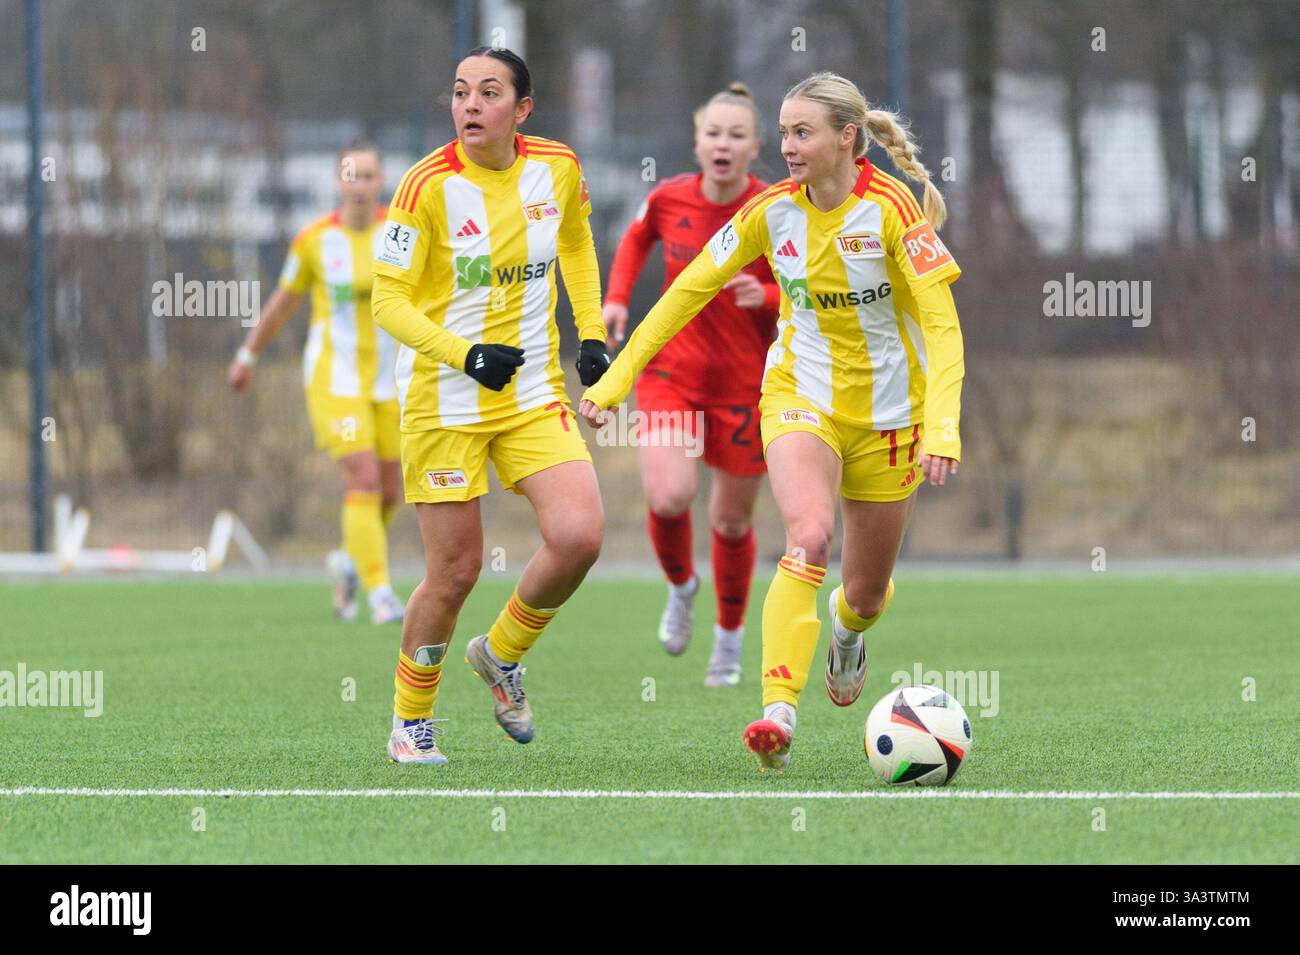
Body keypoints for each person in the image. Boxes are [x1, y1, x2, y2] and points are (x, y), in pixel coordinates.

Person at [580, 72, 964, 773]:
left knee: (866, 593)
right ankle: (777, 711)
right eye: (783, 132)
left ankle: (847, 635)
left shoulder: (892, 212)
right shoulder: (770, 211)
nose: (785, 147)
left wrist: (943, 425)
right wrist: (617, 377)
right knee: (809, 537)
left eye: (801, 132)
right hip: (798, 398)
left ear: (847, 138)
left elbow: (941, 325)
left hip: (891, 417)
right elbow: (688, 288)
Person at [371, 47, 610, 764]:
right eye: (459, 92)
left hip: (532, 391)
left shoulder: (558, 168)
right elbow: (388, 301)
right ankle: (410, 723)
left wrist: (591, 334)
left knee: (581, 534)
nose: (470, 105)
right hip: (445, 402)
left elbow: (575, 240)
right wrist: (464, 353)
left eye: (488, 92)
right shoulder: (425, 186)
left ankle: (501, 652)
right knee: (454, 574)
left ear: (523, 109)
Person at [603, 83, 780, 687]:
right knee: (670, 495)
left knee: (731, 522)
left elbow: (813, 281)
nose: (723, 144)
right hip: (670, 375)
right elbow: (634, 240)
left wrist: (771, 296)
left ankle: (728, 642)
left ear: (756, 147)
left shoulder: (776, 207)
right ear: (697, 141)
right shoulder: (668, 197)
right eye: (713, 134)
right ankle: (682, 587)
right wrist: (617, 299)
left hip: (747, 385)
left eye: (736, 135)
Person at [228, 137, 405, 625]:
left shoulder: (401, 231)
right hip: (335, 378)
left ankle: (350, 561)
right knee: (364, 478)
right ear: (337, 180)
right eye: (352, 175)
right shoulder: (313, 241)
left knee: (391, 492)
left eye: (369, 176)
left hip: (390, 380)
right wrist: (248, 354)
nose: (360, 185)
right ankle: (382, 594)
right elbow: (283, 303)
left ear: (381, 181)